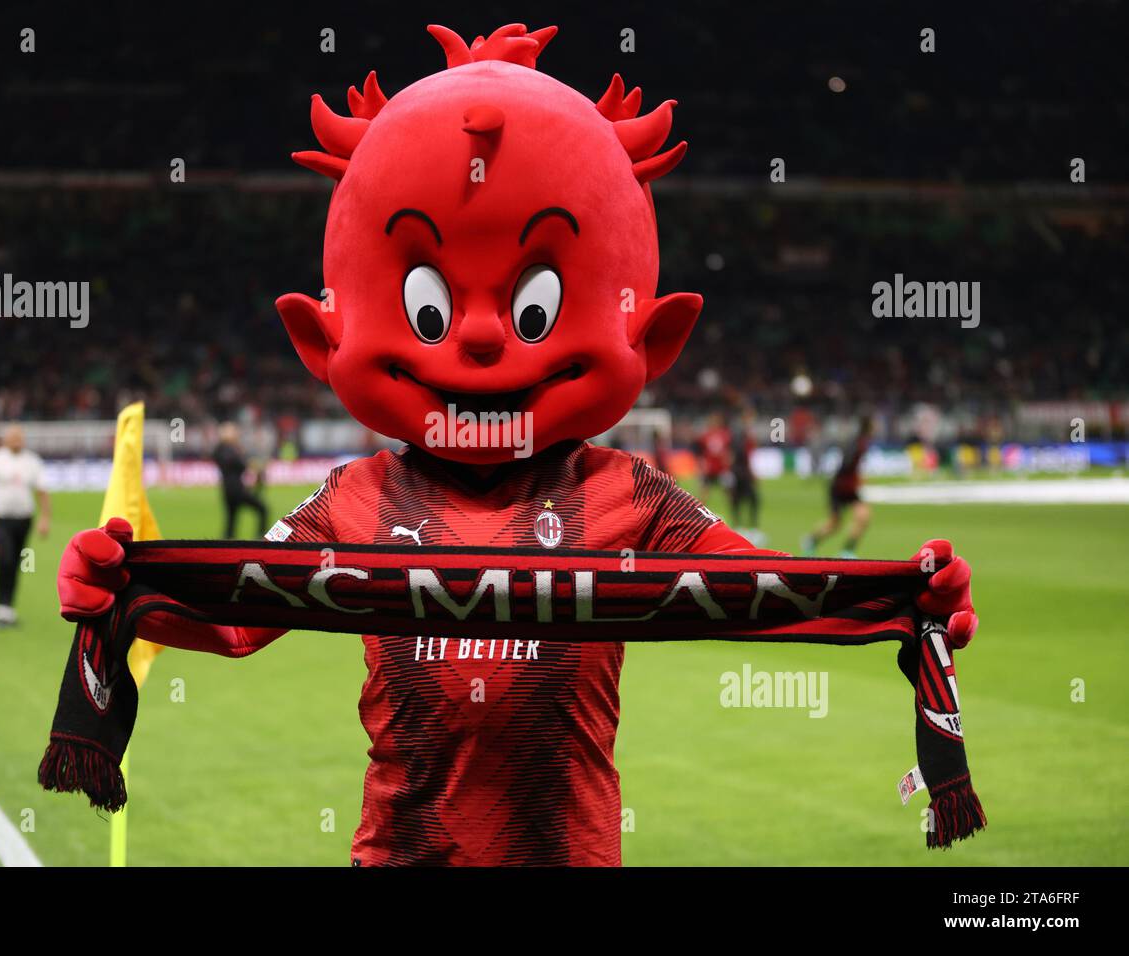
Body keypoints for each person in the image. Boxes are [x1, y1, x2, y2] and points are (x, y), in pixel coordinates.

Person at [58, 23, 977, 866]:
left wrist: (906, 597)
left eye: (533, 303)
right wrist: (128, 586)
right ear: (321, 333)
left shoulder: (633, 494)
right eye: (432, 305)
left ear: (653, 336)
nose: (485, 339)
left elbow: (772, 592)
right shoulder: (357, 496)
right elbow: (234, 614)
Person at [0, 424, 49, 627]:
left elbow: (41, 491)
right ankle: (1, 607)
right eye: (13, 437)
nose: (16, 440)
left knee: (18, 562)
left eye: (19, 437)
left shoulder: (32, 461)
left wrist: (44, 518)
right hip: (0, 518)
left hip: (24, 519)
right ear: (5, 439)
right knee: (4, 558)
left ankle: (8, 608)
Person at [803, 416, 874, 558]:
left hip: (849, 487)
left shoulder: (859, 442)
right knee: (835, 524)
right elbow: (846, 464)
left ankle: (847, 551)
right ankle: (811, 540)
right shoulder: (857, 443)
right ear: (869, 426)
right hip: (839, 487)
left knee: (863, 516)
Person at [212, 422, 268, 538]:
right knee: (262, 509)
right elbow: (241, 464)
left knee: (231, 520)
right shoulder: (229, 450)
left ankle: (227, 543)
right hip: (236, 489)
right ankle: (260, 537)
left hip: (227, 489)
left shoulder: (220, 450)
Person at [728, 407, 763, 545]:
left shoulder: (744, 432)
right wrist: (751, 473)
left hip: (739, 471)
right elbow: (740, 454)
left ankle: (741, 528)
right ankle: (748, 530)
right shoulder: (741, 433)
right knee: (751, 499)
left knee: (741, 500)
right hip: (741, 472)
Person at [696, 410, 732, 505]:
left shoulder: (724, 434)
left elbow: (728, 450)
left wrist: (728, 460)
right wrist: (702, 463)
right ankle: (701, 509)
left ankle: (733, 508)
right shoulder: (705, 435)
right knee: (704, 490)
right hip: (709, 468)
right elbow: (700, 451)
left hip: (721, 468)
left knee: (728, 490)